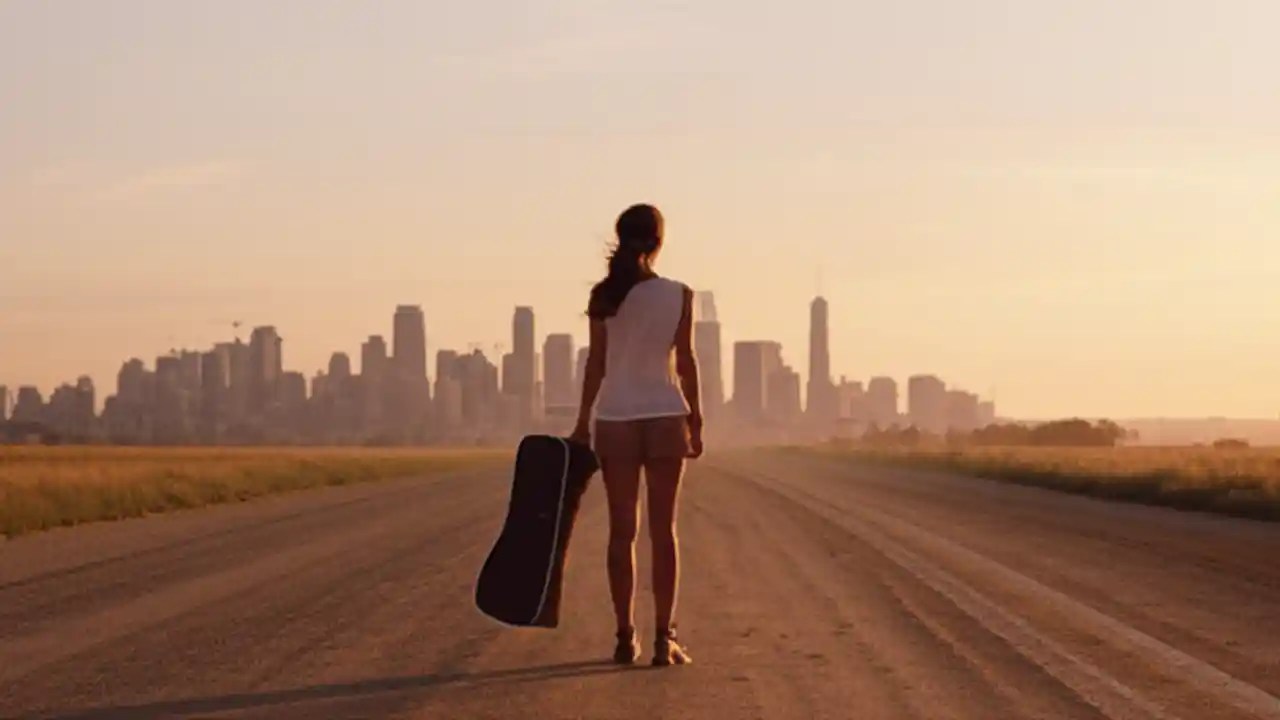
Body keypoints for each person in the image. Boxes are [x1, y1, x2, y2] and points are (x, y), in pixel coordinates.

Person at [570, 203, 703, 668]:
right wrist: (697, 418)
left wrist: (582, 422)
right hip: (666, 414)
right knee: (663, 532)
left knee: (621, 531)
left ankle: (625, 636)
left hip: (615, 420)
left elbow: (596, 364)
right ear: (658, 241)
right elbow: (685, 360)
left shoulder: (604, 296)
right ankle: (664, 640)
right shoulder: (680, 294)